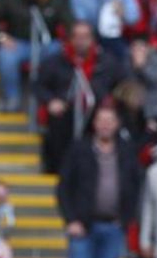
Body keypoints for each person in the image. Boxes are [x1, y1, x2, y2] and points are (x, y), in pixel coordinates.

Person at [36, 21, 126, 173]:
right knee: (57, 123)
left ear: (92, 39)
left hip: (96, 110)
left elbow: (123, 83)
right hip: (65, 111)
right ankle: (59, 168)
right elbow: (39, 86)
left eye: (85, 37)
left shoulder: (107, 62)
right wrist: (50, 101)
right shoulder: (55, 62)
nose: (81, 41)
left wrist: (112, 101)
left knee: (109, 121)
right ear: (70, 39)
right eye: (77, 37)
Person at [56, 104, 141, 258]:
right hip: (82, 227)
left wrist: (127, 218)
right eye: (101, 121)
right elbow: (64, 187)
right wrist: (71, 220)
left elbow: (135, 186)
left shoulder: (127, 150)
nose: (105, 125)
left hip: (114, 227)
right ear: (94, 123)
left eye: (110, 121)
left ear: (117, 124)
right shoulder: (79, 149)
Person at [0, 0, 73, 111]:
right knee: (5, 56)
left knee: (59, 53)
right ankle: (12, 98)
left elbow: (70, 24)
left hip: (47, 45)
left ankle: (55, 97)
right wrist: (1, 37)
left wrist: (68, 40)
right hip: (18, 44)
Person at [68, 0, 141, 62]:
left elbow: (135, 18)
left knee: (126, 53)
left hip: (117, 37)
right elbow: (81, 23)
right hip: (91, 35)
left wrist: (123, 13)